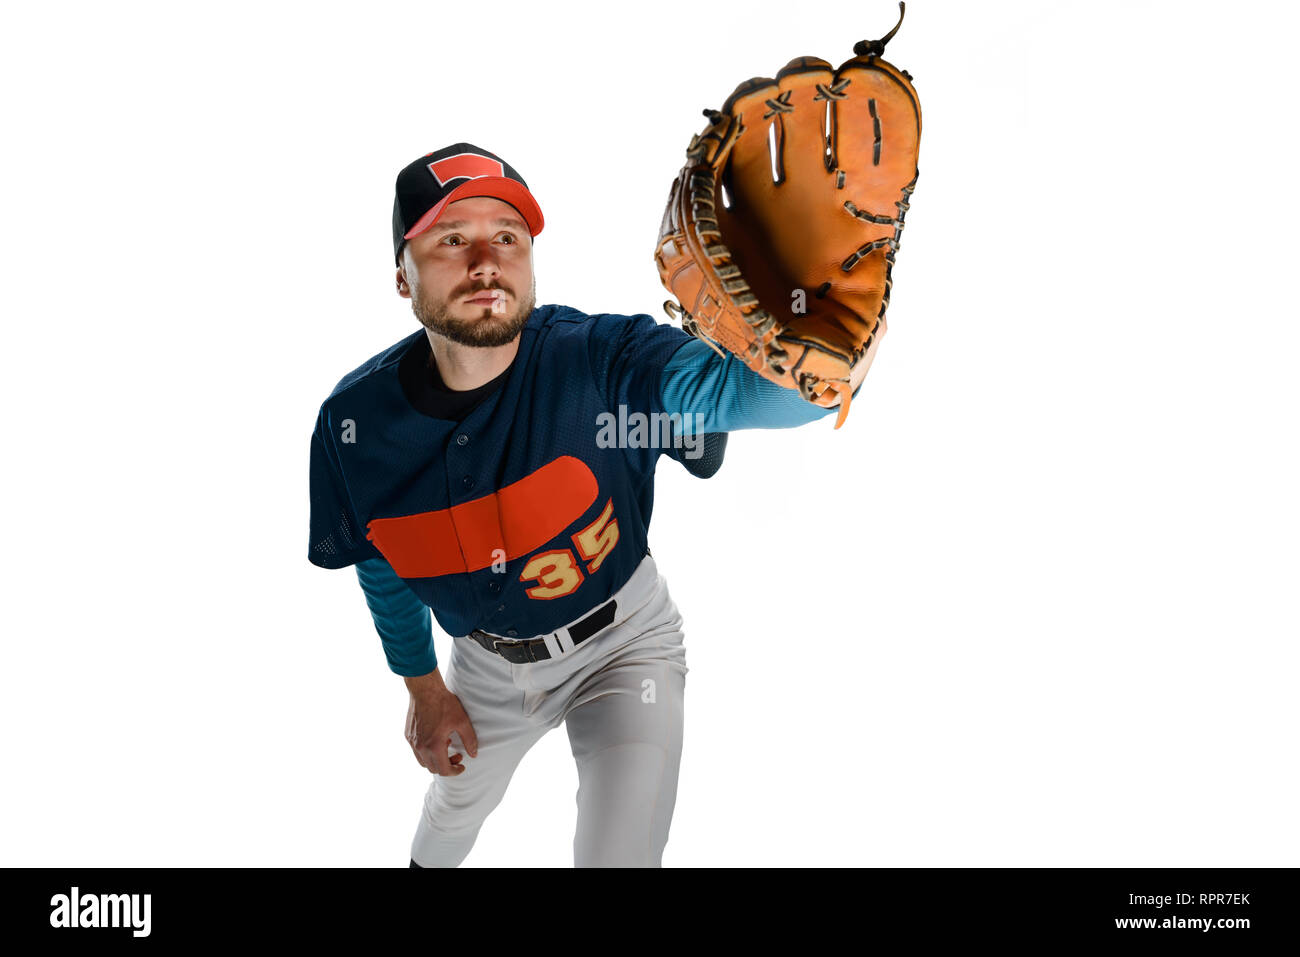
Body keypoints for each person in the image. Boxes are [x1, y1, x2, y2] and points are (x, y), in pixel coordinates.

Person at [307, 143, 876, 867]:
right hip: (487, 666)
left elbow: (756, 395)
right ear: (402, 275)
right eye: (452, 239)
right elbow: (382, 562)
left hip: (626, 642)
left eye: (507, 237)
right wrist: (424, 689)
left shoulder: (602, 357)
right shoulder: (354, 428)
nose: (486, 260)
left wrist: (839, 332)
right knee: (451, 816)